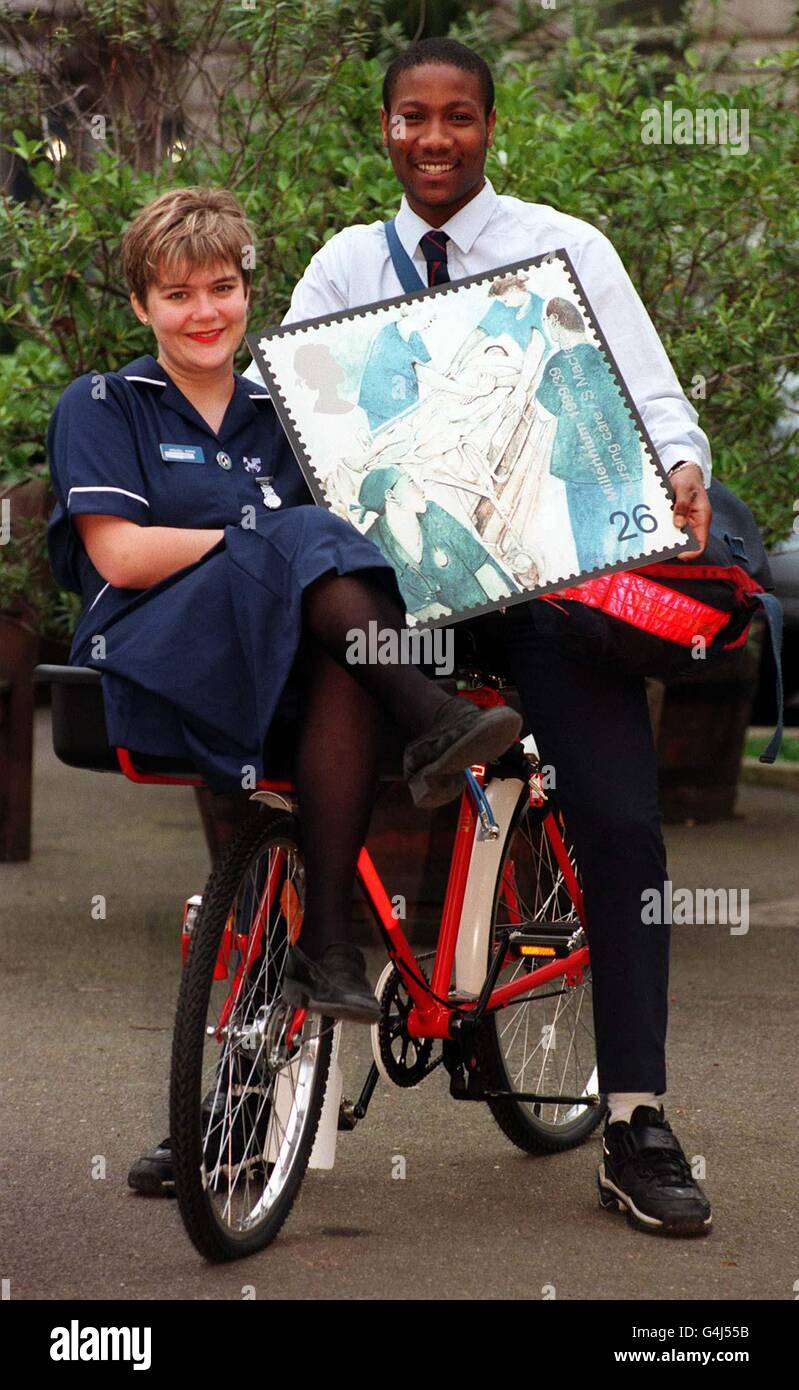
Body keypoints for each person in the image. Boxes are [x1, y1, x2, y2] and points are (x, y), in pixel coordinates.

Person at [240, 37, 715, 1237]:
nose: (434, 139)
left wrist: (680, 464)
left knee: (616, 820)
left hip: (549, 586)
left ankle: (638, 1119)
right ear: (386, 127)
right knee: (313, 747)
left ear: (490, 126)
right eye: (412, 118)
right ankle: (244, 1096)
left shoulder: (567, 249)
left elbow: (653, 395)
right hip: (404, 594)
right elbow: (287, 393)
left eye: (457, 118)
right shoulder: (351, 262)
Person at [45, 188, 521, 1189]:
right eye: (178, 294)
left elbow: (368, 546)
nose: (204, 312)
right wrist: (253, 540)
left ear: (248, 291)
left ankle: (332, 950)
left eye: (223, 288)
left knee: (338, 632)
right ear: (142, 305)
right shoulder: (104, 403)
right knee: (299, 537)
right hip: (166, 658)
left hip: (284, 670)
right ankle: (430, 722)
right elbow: (124, 556)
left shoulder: (290, 409)